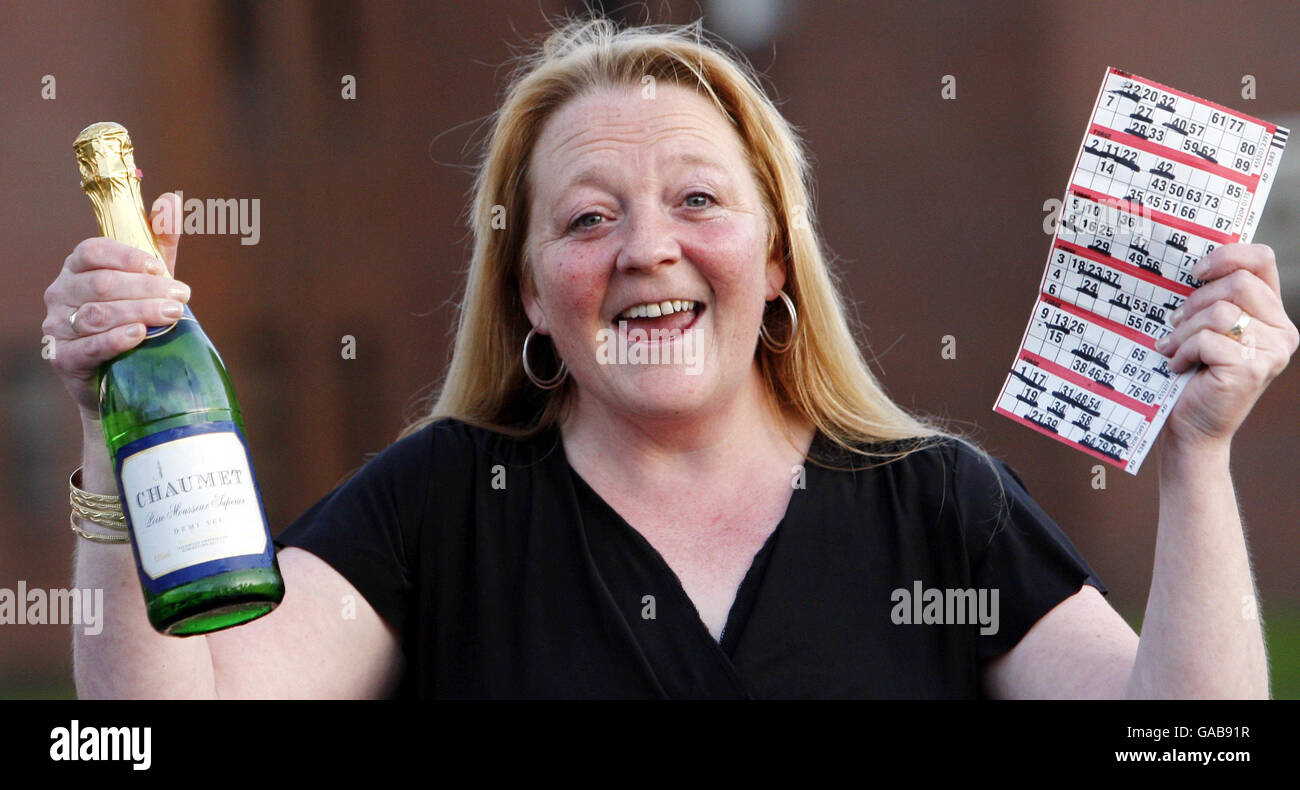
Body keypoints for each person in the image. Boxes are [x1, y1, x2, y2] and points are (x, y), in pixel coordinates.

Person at [45, 18, 1295, 698]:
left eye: (698, 200)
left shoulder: (936, 504)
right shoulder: (441, 507)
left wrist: (1197, 457)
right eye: (588, 218)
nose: (648, 249)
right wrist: (117, 425)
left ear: (779, 261)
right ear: (530, 295)